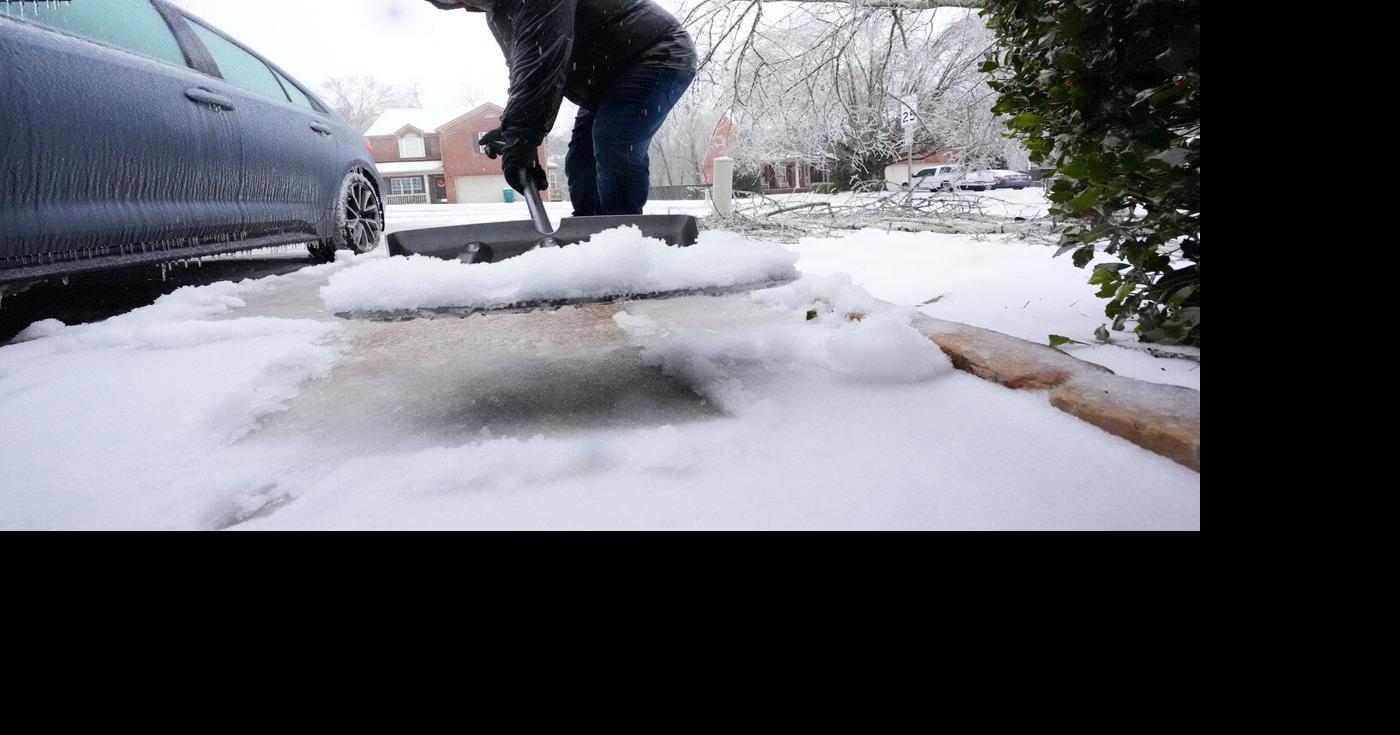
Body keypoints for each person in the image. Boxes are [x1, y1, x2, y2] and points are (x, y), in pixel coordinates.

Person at [424, 0, 696, 216]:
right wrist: (512, 128)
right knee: (581, 161)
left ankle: (622, 238)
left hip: (655, 53)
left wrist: (523, 137)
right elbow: (523, 71)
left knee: (614, 140)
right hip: (605, 79)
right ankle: (588, 236)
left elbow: (543, 63)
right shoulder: (499, 11)